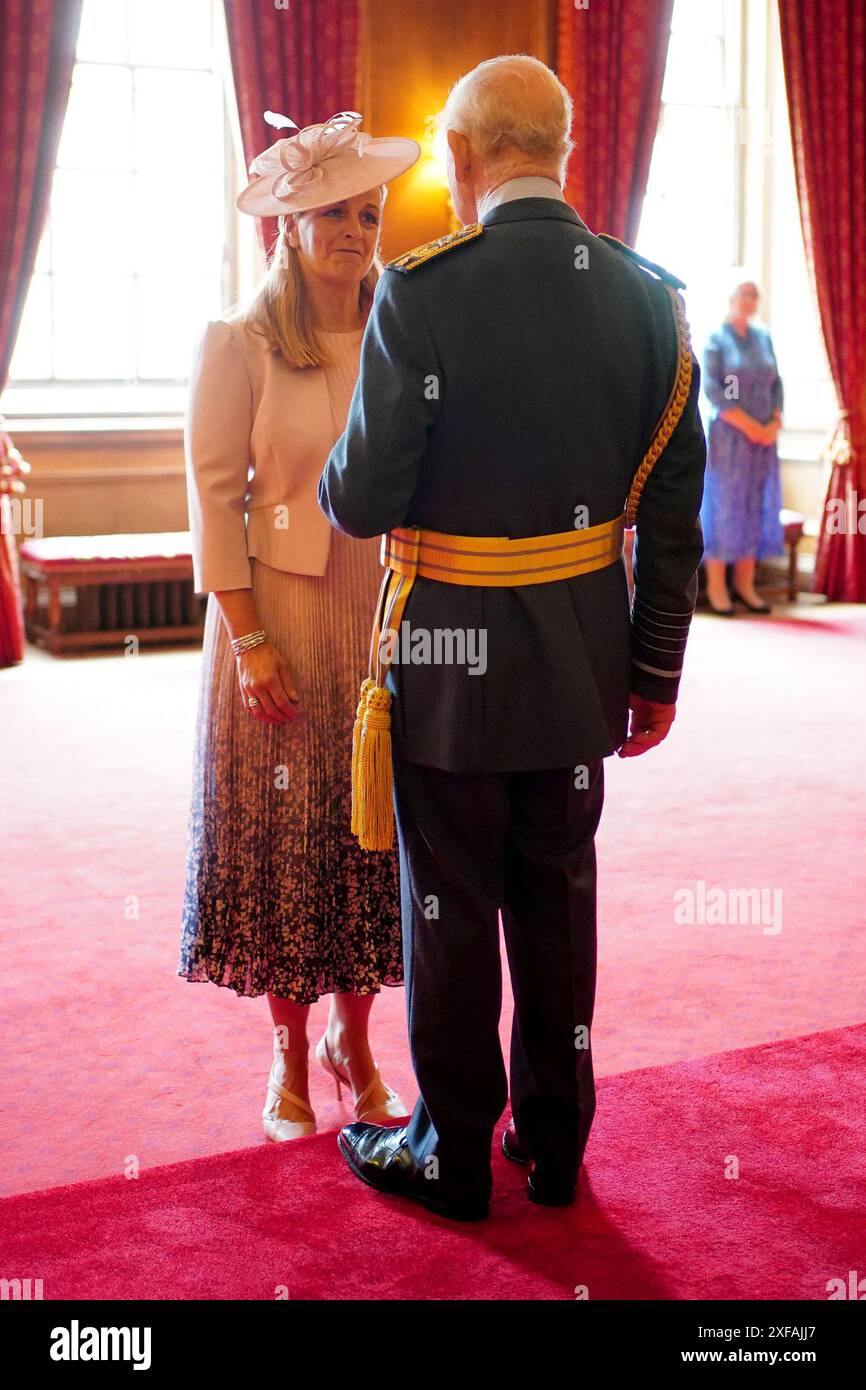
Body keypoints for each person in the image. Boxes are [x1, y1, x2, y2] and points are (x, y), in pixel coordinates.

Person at [319, 55, 707, 1221]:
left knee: (445, 908)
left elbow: (361, 500)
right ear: (567, 151)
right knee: (556, 899)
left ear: (460, 156)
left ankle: (445, 1148)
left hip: (443, 661)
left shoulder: (424, 289)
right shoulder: (649, 298)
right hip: (583, 659)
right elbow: (674, 515)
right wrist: (651, 672)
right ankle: (552, 1144)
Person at [180, 112, 420, 1143]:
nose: (355, 230)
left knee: (366, 831)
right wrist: (248, 638)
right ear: (290, 223)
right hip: (273, 617)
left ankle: (354, 1042)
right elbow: (210, 493)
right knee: (286, 841)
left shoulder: (404, 335)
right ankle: (286, 1050)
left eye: (367, 214)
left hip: (381, 618)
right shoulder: (238, 342)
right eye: (332, 213)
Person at [700, 275, 784, 615]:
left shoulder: (763, 338)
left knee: (754, 505)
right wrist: (750, 426)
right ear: (731, 297)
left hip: (763, 441)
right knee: (725, 507)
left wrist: (775, 421)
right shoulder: (717, 341)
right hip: (729, 440)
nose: (749, 300)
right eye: (743, 293)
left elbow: (777, 383)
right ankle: (718, 587)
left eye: (754, 294)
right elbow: (714, 391)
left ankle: (745, 586)